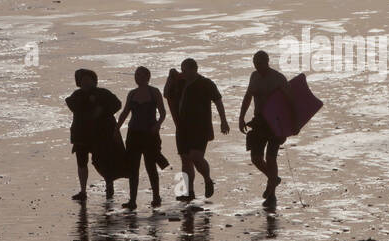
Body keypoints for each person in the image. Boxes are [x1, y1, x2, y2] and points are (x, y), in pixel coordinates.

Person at [164, 57, 228, 202]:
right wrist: (170, 78)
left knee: (196, 157)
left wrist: (223, 121)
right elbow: (167, 94)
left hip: (201, 127)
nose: (183, 73)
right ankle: (187, 192)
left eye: (185, 70)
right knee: (185, 159)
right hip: (182, 127)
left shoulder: (206, 83)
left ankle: (207, 179)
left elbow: (218, 101)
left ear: (194, 69)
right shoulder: (179, 82)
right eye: (182, 70)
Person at [238, 50, 294, 207]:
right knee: (255, 158)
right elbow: (248, 96)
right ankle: (273, 179)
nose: (257, 66)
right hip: (259, 122)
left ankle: (272, 195)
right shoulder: (254, 76)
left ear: (267, 62)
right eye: (255, 63)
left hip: (276, 123)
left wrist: (293, 125)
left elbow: (290, 102)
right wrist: (241, 117)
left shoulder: (278, 78)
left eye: (260, 63)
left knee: (271, 158)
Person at [65, 68, 122, 200]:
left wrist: (102, 109)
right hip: (81, 135)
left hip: (101, 134)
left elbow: (117, 104)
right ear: (79, 82)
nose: (85, 82)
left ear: (94, 81)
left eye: (88, 79)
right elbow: (73, 106)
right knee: (81, 162)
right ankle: (83, 191)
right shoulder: (76, 95)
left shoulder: (103, 93)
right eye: (83, 80)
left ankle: (109, 184)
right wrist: (89, 102)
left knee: (103, 161)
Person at [115, 66, 168, 209]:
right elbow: (125, 112)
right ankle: (132, 200)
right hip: (133, 134)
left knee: (151, 166)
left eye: (140, 75)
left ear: (147, 77)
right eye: (136, 75)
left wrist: (157, 125)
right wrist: (117, 128)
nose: (137, 77)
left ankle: (156, 197)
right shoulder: (132, 94)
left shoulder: (154, 92)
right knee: (133, 168)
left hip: (150, 134)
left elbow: (163, 113)